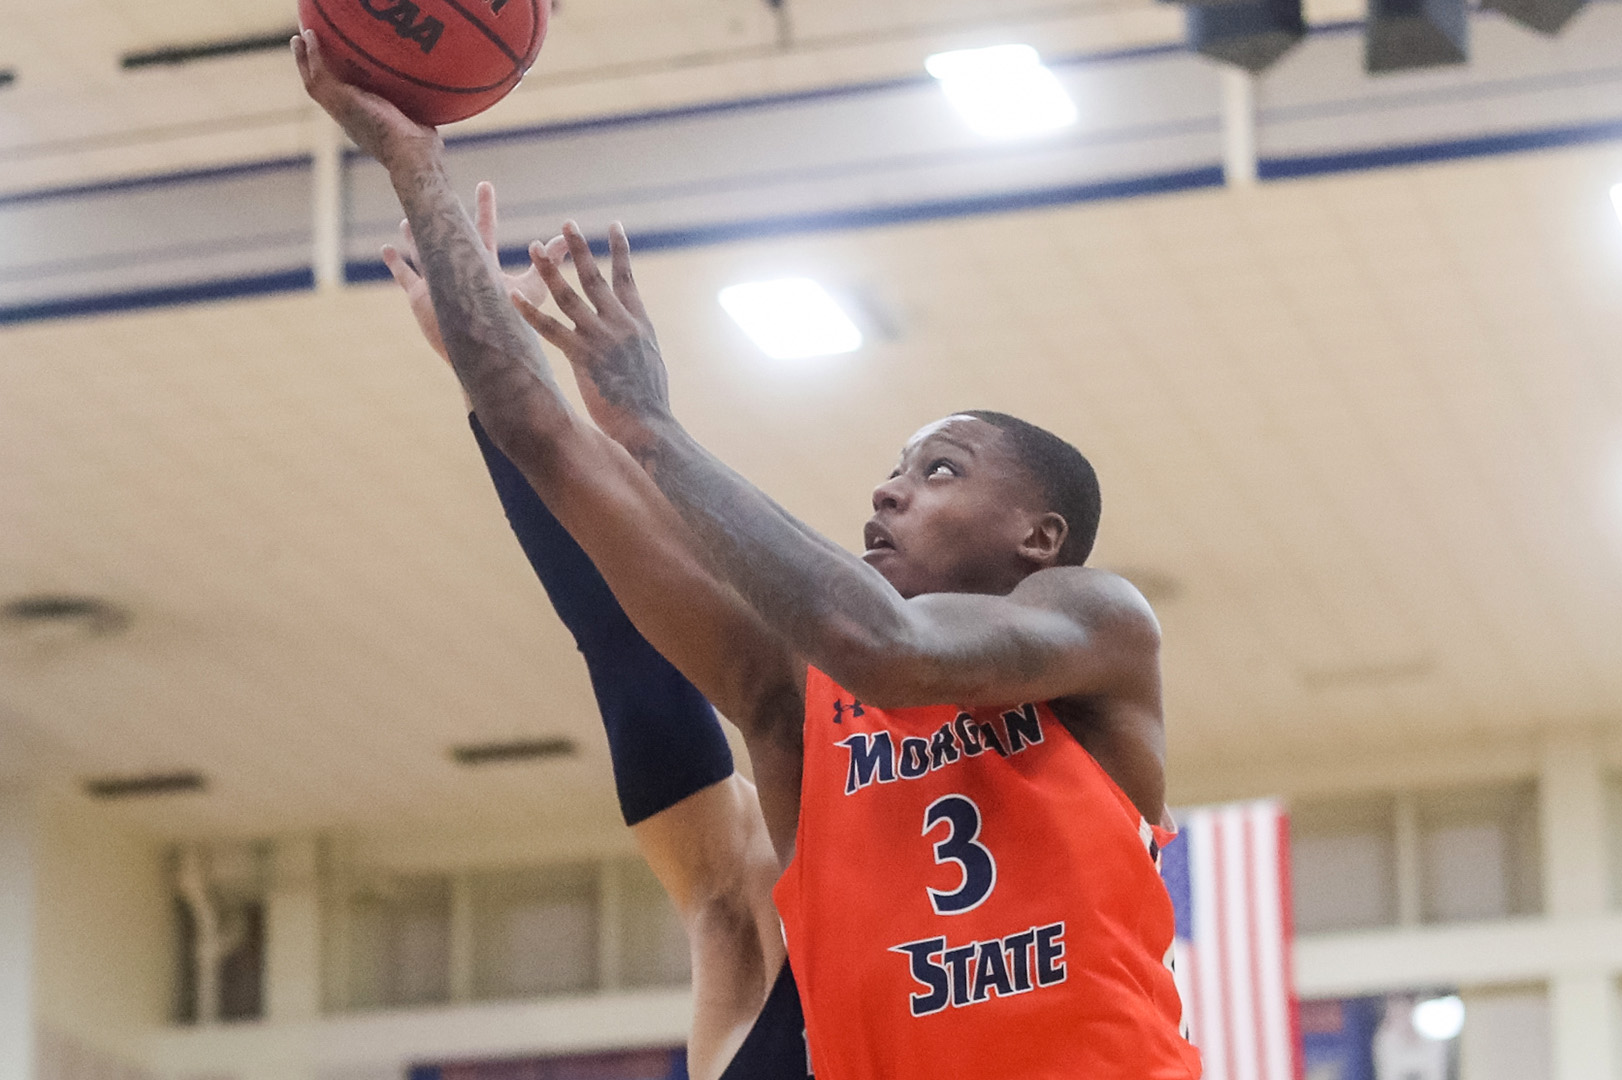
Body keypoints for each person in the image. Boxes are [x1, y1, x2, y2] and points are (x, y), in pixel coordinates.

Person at [295, 31, 1200, 1079]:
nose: (888, 488)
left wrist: (656, 431)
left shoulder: (1098, 625)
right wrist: (416, 171)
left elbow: (885, 644)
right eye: (896, 467)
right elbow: (547, 445)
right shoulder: (797, 704)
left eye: (941, 469)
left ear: (1038, 538)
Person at [389, 187, 807, 1080]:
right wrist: (491, 367)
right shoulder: (763, 911)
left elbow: (624, 646)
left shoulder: (763, 924)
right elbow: (629, 636)